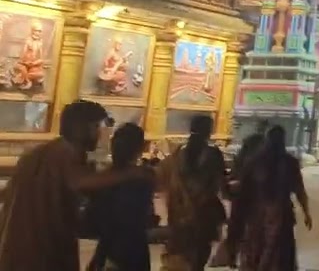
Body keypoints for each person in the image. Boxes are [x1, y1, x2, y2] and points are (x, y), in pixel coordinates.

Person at [0, 100, 147, 271]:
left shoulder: (38, 153)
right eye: (98, 127)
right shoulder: (64, 153)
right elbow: (79, 182)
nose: (101, 134)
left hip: (19, 247)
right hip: (41, 250)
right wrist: (132, 173)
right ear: (84, 128)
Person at [226, 125, 313, 271]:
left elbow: (242, 196)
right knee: (279, 257)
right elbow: (299, 190)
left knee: (256, 252)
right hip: (281, 217)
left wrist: (236, 225)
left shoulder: (254, 162)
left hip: (257, 218)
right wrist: (306, 213)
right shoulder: (290, 162)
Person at [160, 114, 228, 271]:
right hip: (204, 215)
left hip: (180, 214)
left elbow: (165, 181)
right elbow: (220, 184)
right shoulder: (213, 154)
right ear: (209, 131)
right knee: (199, 258)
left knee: (180, 256)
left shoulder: (177, 154)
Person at [85, 122, 155, 271]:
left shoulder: (102, 178)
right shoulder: (144, 177)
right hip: (133, 249)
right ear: (140, 148)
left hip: (106, 248)